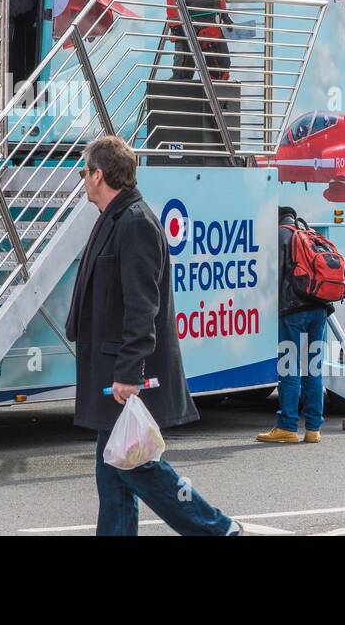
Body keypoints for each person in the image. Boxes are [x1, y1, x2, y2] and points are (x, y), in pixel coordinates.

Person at [65, 135, 240, 536]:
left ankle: (217, 529)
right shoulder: (113, 218)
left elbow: (143, 307)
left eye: (83, 172)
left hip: (119, 377)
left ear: (100, 174)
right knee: (114, 474)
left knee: (139, 468)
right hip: (108, 373)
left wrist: (128, 372)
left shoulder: (135, 223)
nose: (81, 180)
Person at [257, 207, 331, 444]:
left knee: (289, 367)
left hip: (293, 310)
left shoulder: (280, 235)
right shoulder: (308, 233)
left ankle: (288, 426)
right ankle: (313, 429)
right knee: (313, 367)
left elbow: (272, 275)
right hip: (319, 308)